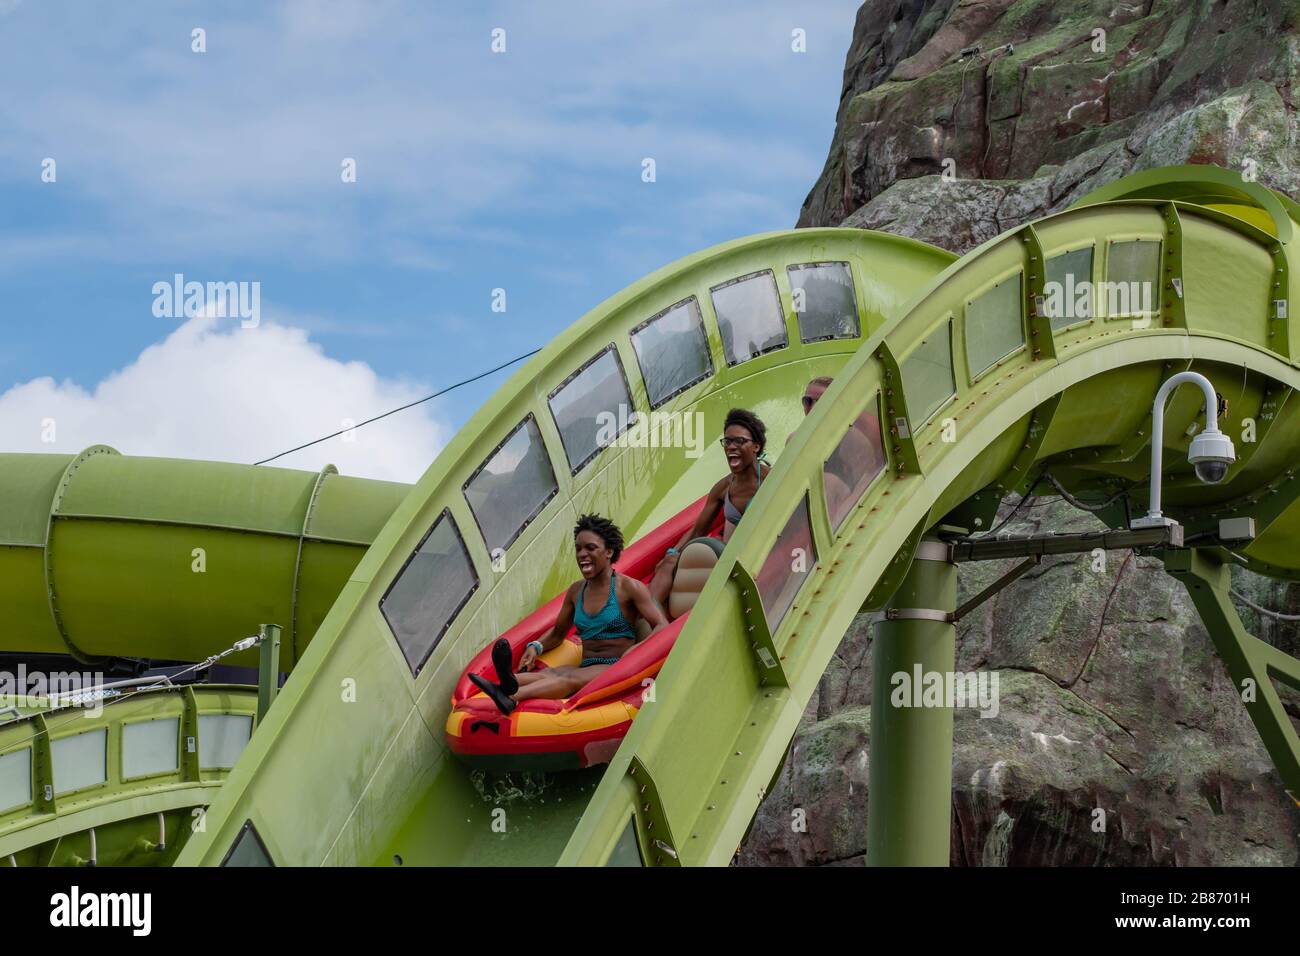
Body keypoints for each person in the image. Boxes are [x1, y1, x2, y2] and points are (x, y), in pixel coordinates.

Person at [469, 513, 667, 715]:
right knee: (550, 673)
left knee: (567, 679)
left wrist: (634, 654)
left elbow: (662, 626)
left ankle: (511, 697)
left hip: (616, 666)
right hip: (587, 665)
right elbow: (558, 633)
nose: (582, 554)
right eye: (579, 548)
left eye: (590, 548)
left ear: (609, 552)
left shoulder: (628, 588)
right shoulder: (576, 591)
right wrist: (536, 647)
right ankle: (505, 682)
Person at [648, 408, 771, 611]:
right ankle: (648, 623)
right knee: (670, 562)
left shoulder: (769, 480)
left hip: (756, 557)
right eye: (727, 441)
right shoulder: (723, 488)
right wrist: (671, 554)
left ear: (756, 446)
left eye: (739, 441)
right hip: (725, 556)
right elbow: (698, 531)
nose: (731, 447)